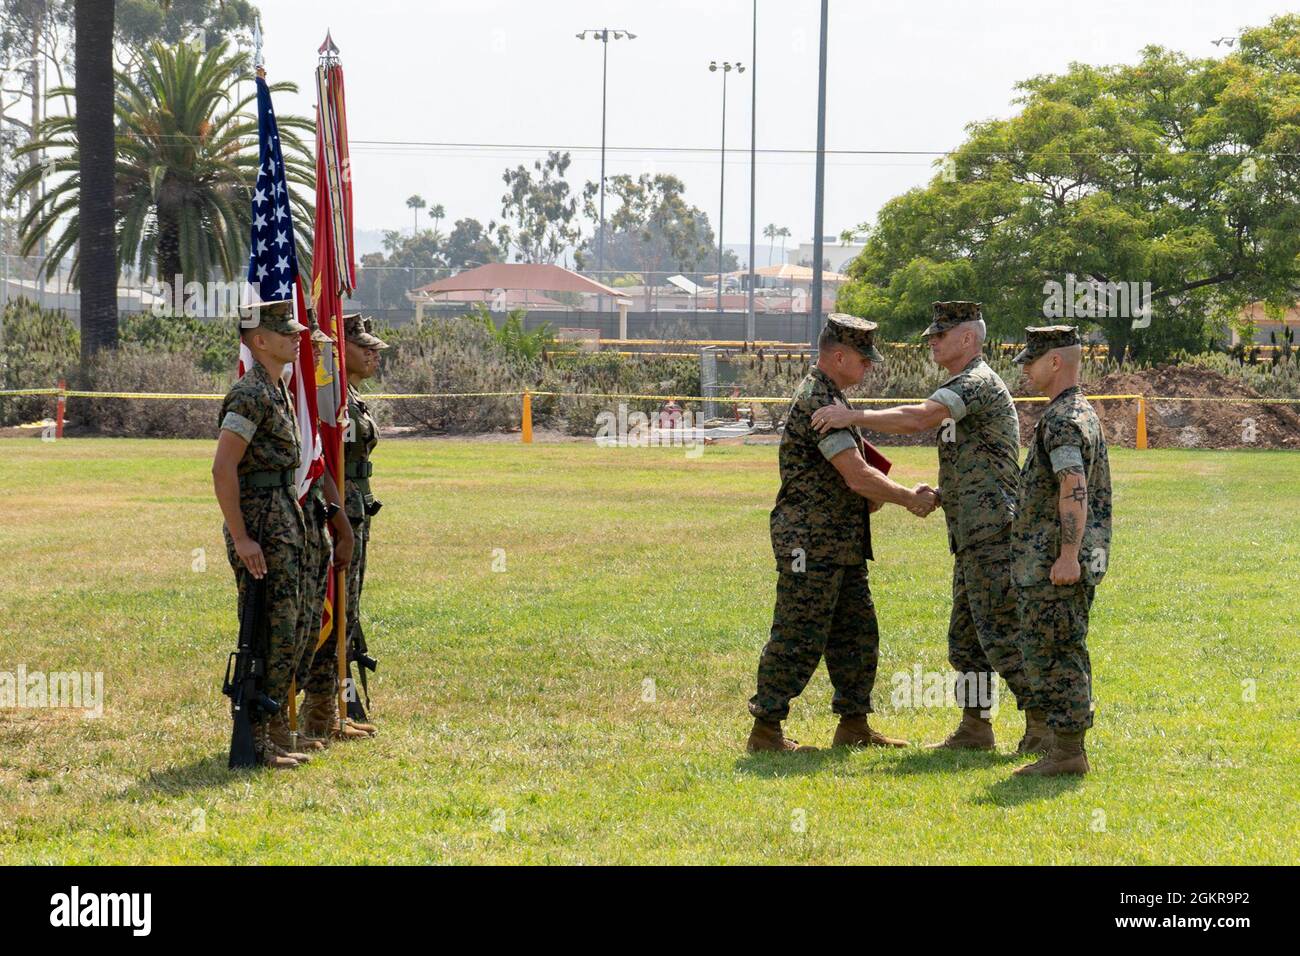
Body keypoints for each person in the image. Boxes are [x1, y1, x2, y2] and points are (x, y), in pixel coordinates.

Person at [811, 301, 1046, 753]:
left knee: (1001, 632)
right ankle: (975, 727)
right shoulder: (959, 385)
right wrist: (941, 494)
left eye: (941, 335)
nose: (933, 342)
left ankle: (1042, 726)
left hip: (994, 533)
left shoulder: (976, 382)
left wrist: (852, 416)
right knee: (968, 637)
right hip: (970, 534)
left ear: (968, 339)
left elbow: (918, 418)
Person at [747, 313, 937, 753]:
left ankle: (854, 725)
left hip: (839, 542)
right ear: (837, 355)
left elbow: (858, 477)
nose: (869, 366)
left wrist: (878, 493)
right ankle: (766, 731)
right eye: (862, 358)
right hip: (810, 544)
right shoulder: (818, 402)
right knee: (798, 633)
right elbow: (856, 475)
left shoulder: (834, 400)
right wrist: (909, 497)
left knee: (857, 633)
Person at [212, 300, 312, 768]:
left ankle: (274, 729)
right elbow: (223, 467)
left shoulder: (278, 389)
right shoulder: (250, 393)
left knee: (288, 626)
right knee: (266, 629)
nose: (296, 337)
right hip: (259, 524)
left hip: (282, 518)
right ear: (259, 341)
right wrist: (242, 537)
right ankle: (256, 738)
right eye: (284, 331)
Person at [1010, 326, 1112, 776]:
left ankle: (1069, 753)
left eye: (1031, 360)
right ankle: (1059, 744)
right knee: (1056, 647)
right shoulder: (1079, 412)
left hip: (1054, 563)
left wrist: (1068, 554)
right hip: (1055, 559)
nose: (1026, 369)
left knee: (1056, 652)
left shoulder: (1062, 420)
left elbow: (1073, 485)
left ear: (1055, 362)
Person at [304, 313, 386, 738]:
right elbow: (322, 454)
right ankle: (319, 716)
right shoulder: (329, 393)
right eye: (364, 347)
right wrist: (337, 513)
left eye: (375, 348)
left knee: (349, 609)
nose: (374, 354)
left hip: (358, 509)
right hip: (340, 512)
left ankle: (335, 710)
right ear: (340, 349)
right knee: (334, 607)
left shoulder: (349, 393)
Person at [295, 318, 355, 749]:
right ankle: (284, 724)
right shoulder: (288, 398)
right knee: (294, 626)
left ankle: (326, 711)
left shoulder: (311, 403)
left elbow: (321, 462)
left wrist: (342, 522)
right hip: (288, 525)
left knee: (337, 615)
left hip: (323, 516)